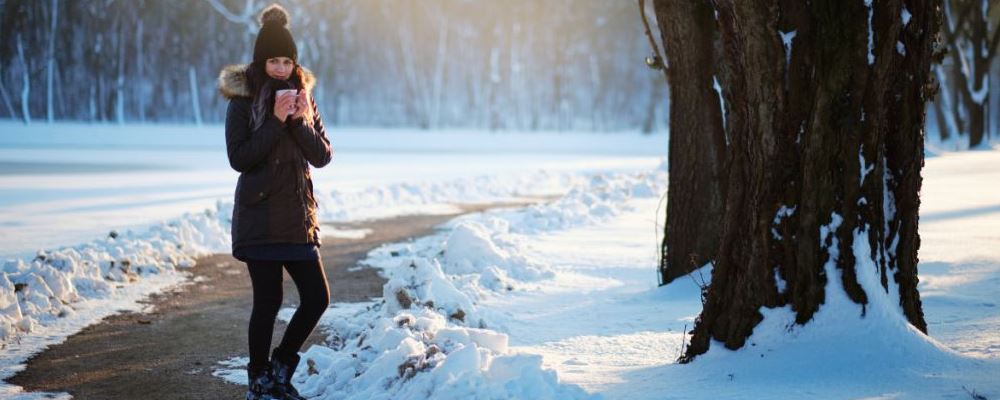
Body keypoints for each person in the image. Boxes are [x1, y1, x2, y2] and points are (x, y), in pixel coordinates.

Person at [218, 4, 332, 399]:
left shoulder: (305, 98)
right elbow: (240, 158)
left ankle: (280, 371)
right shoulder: (242, 100)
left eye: (287, 61)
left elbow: (322, 156)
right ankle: (258, 382)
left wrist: (299, 121)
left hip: (298, 217)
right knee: (268, 302)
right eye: (274, 62)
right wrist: (275, 121)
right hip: (260, 217)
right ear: (260, 62)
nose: (281, 68)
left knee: (318, 298)